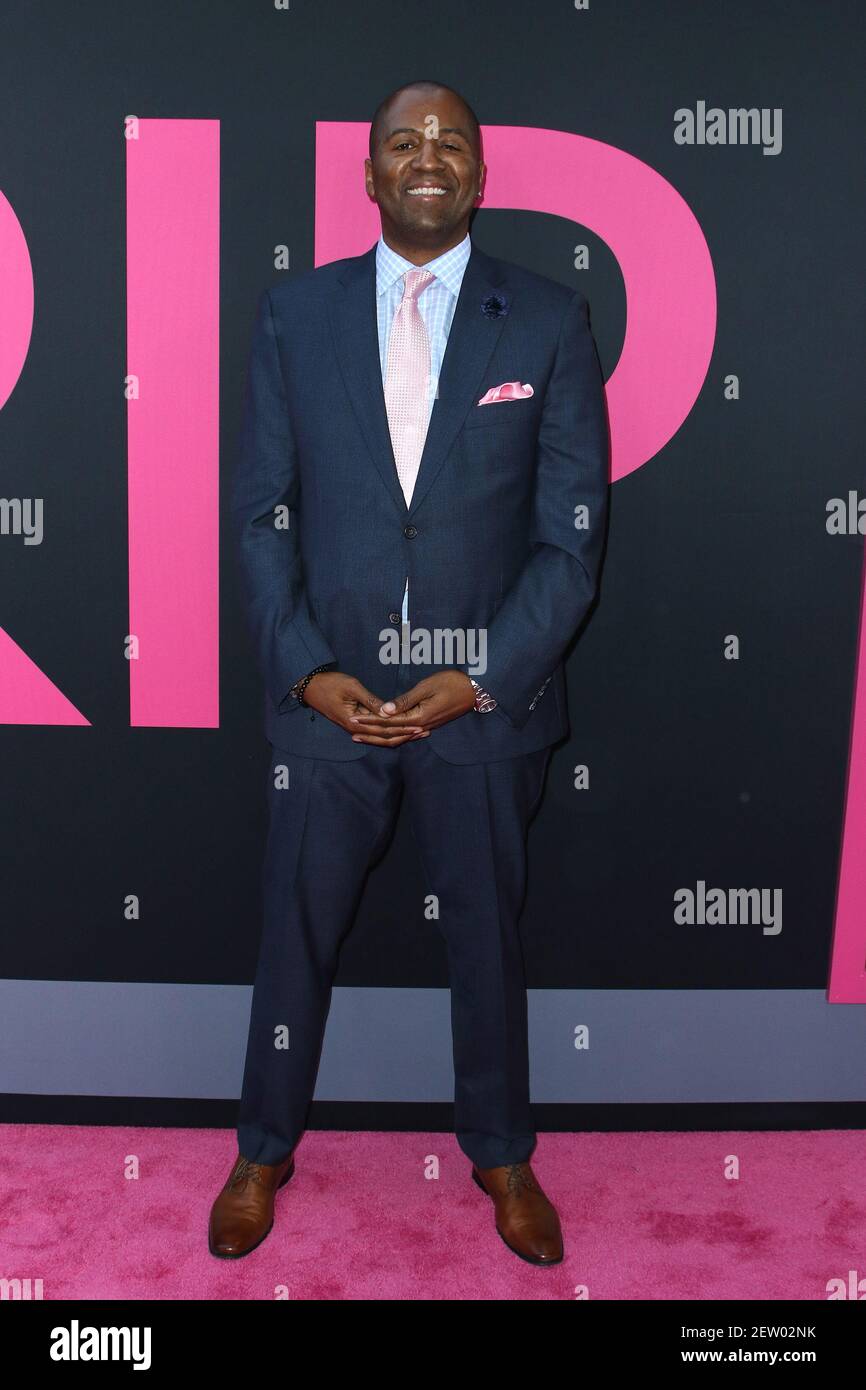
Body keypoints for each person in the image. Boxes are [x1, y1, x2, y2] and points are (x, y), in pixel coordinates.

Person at [209, 79, 609, 1265]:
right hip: (328, 696)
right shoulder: (296, 313)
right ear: (369, 176)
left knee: (487, 934)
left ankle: (498, 1150)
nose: (425, 154)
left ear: (479, 176)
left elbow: (570, 536)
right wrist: (302, 670)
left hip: (480, 704)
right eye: (402, 141)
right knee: (295, 934)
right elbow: (260, 515)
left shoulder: (545, 320)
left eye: (449, 141)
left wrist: (480, 676)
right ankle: (261, 1146)